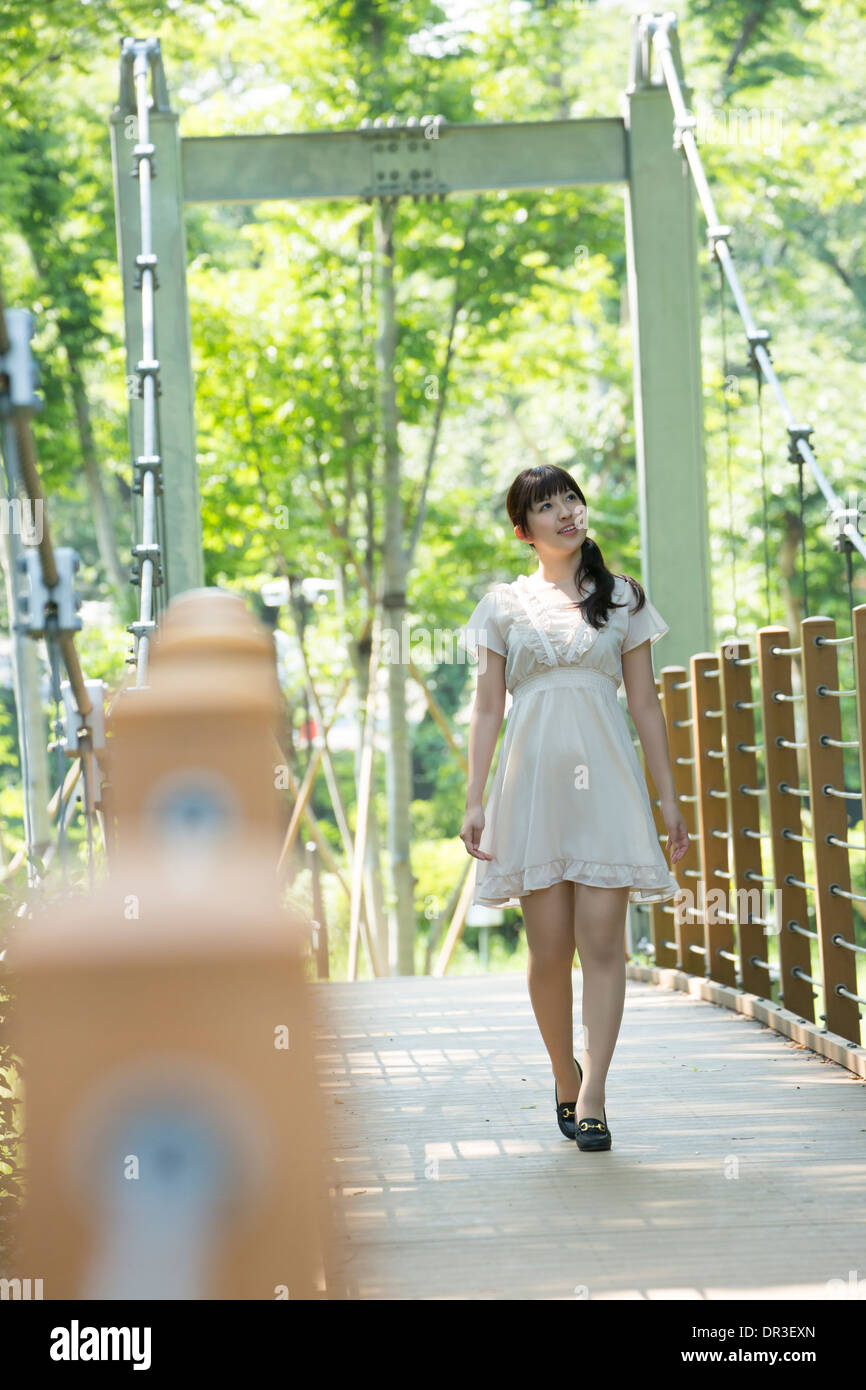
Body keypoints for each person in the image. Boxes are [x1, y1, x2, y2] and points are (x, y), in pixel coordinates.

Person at [458, 465, 689, 1151]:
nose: (566, 512)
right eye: (546, 505)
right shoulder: (500, 606)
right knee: (548, 951)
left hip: (609, 792)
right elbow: (487, 706)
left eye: (571, 499)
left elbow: (645, 705)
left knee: (603, 946)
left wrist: (668, 799)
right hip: (531, 795)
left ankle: (594, 1095)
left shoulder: (622, 599)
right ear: (524, 530)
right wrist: (473, 799)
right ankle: (564, 1071)